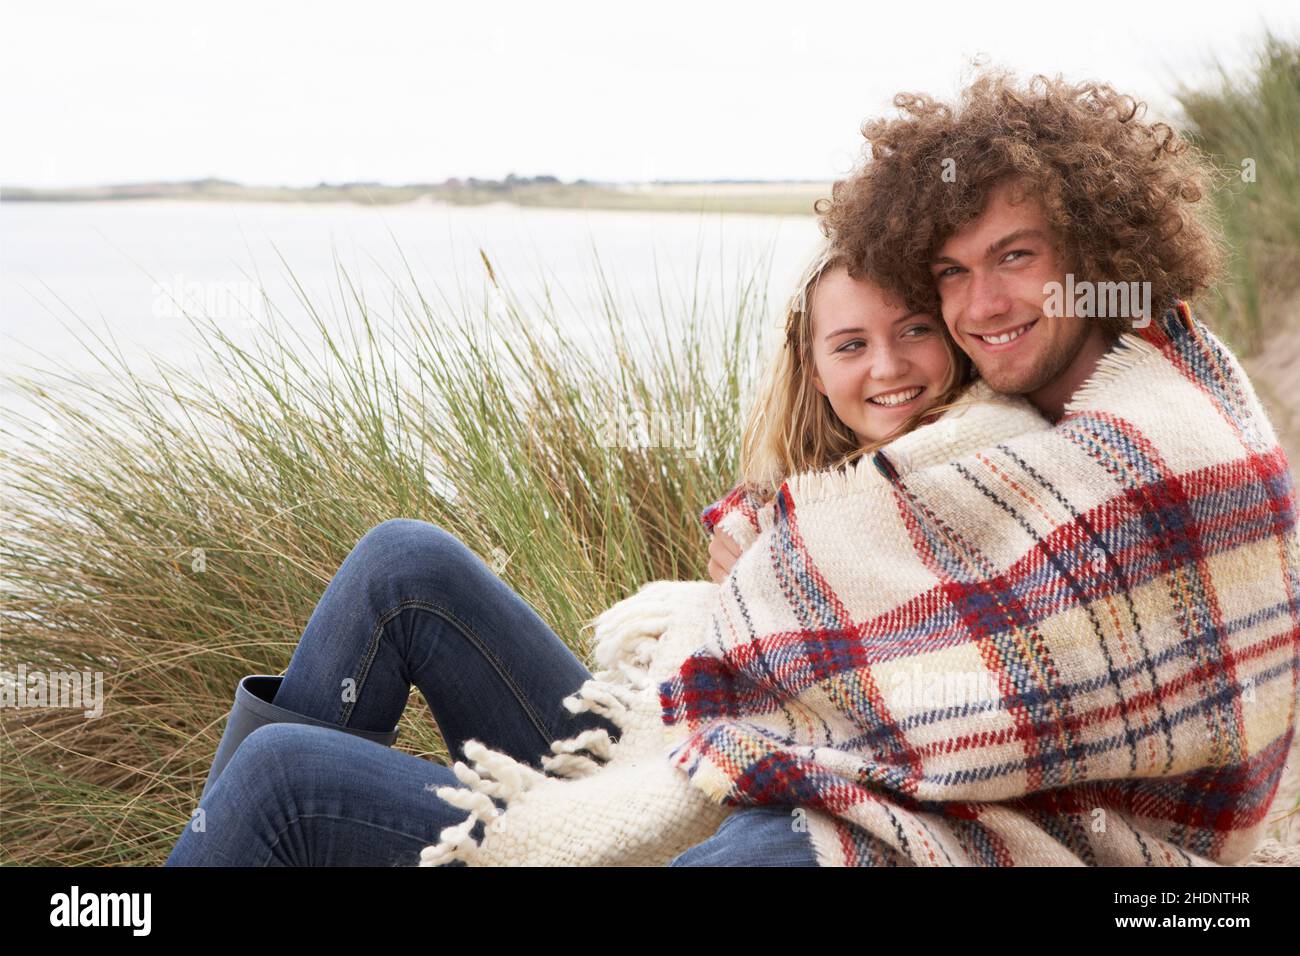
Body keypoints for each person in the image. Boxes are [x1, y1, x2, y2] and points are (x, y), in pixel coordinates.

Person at [164, 241, 973, 867]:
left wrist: (773, 583)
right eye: (851, 344)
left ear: (956, 335)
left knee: (282, 777)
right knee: (402, 563)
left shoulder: (986, 479)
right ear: (814, 368)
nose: (889, 366)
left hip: (712, 825)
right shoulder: (814, 489)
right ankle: (232, 839)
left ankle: (247, 835)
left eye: (913, 331)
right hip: (650, 768)